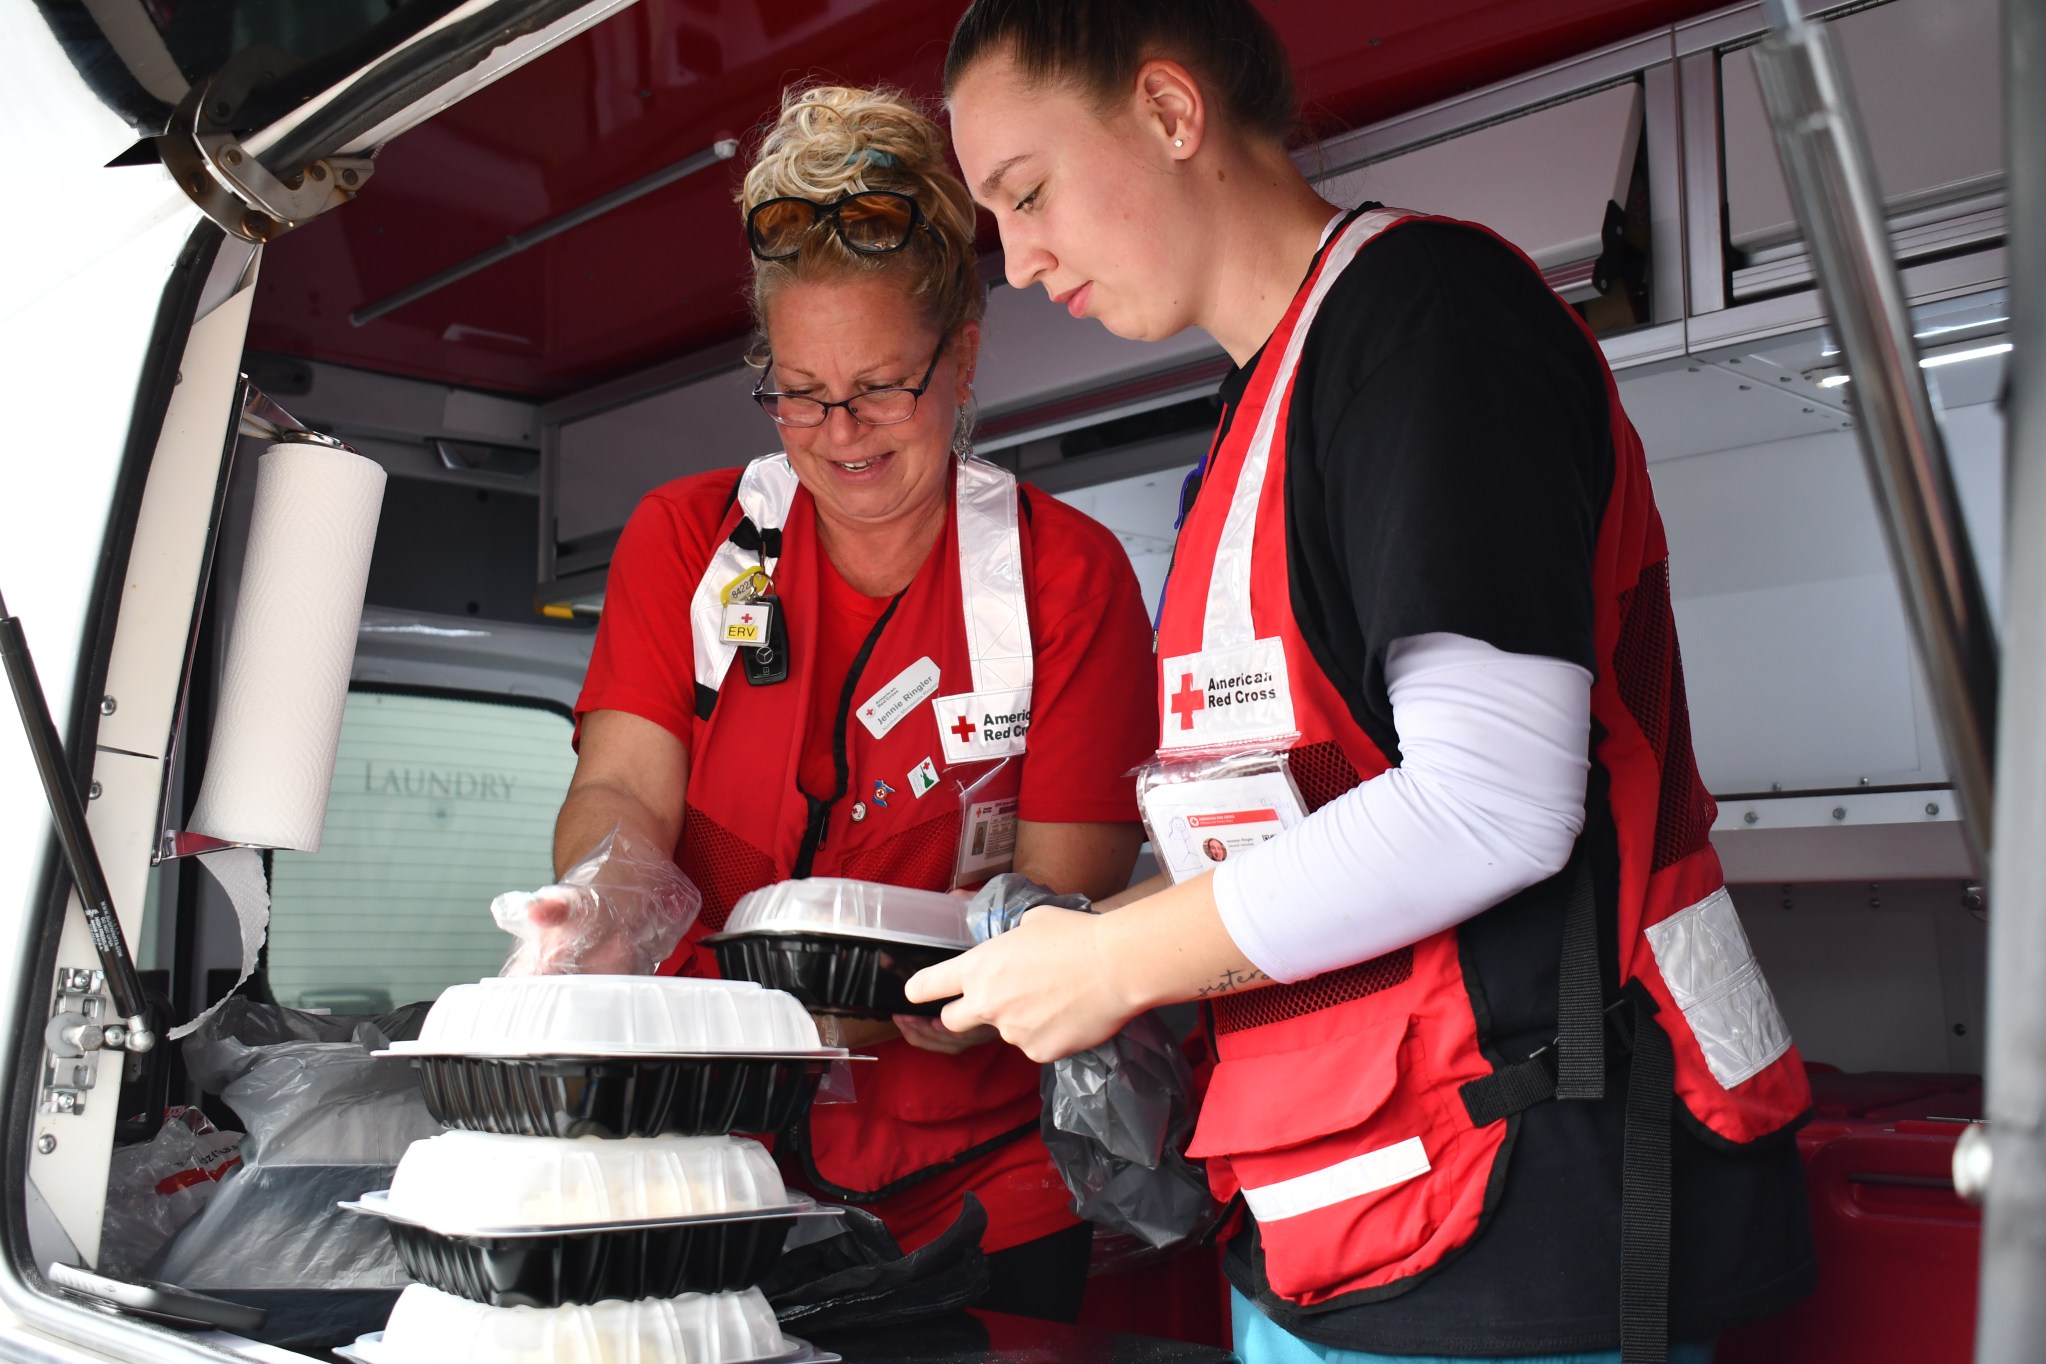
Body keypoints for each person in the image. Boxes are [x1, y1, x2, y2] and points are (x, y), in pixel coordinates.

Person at [910, 4, 1818, 1361]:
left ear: (1168, 112)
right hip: (1357, 1217)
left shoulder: (1423, 325)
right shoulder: (1256, 408)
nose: (1023, 262)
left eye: (1027, 196)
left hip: (1515, 1218)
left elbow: (1490, 807)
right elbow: (1317, 809)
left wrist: (1116, 958)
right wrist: (1088, 936)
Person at [545, 83, 1157, 1320]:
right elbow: (621, 790)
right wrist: (598, 909)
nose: (841, 433)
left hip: (985, 1187)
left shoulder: (1066, 574)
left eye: (883, 386)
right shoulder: (689, 539)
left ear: (965, 355)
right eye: (800, 389)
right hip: (715, 1164)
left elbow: (1067, 890)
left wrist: (961, 1003)